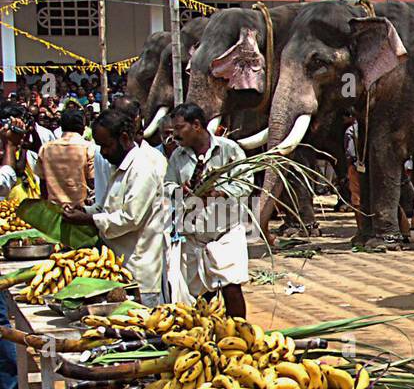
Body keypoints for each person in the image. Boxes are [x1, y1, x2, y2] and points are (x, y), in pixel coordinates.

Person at [61, 108, 168, 307]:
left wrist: (89, 220)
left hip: (138, 272)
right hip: (118, 270)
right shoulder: (118, 167)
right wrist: (85, 210)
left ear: (125, 138)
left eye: (107, 146)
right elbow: (109, 209)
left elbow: (130, 218)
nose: (103, 153)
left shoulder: (142, 169)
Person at [164, 102, 252, 318]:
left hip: (226, 232)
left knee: (231, 287)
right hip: (194, 236)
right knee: (202, 295)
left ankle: (239, 334)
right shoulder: (178, 156)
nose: (175, 135)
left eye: (179, 128)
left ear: (196, 125)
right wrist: (180, 190)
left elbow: (246, 183)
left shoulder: (229, 149)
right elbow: (167, 186)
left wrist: (221, 193)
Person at [36, 104, 94, 207]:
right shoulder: (88, 148)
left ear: (62, 127)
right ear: (83, 127)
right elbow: (92, 182)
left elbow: (43, 183)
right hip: (80, 212)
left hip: (53, 210)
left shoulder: (45, 148)